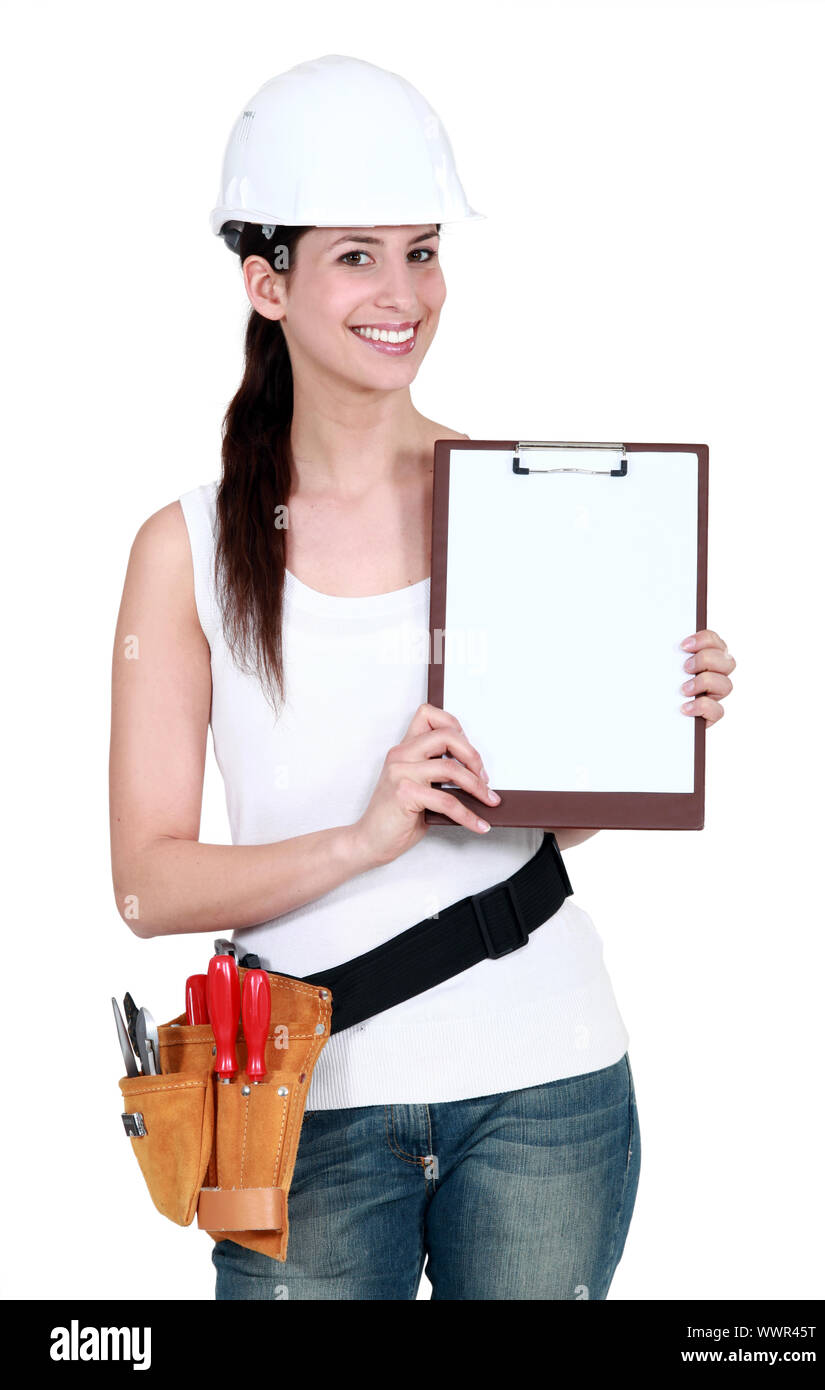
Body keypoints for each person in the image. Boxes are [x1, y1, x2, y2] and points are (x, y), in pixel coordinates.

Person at [109, 56, 736, 1301]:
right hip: (309, 1104)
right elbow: (148, 883)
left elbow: (552, 813)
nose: (403, 294)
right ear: (265, 279)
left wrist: (648, 719)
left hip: (549, 1085)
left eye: (422, 249)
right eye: (355, 255)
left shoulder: (518, 500)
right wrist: (364, 837)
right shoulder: (183, 546)